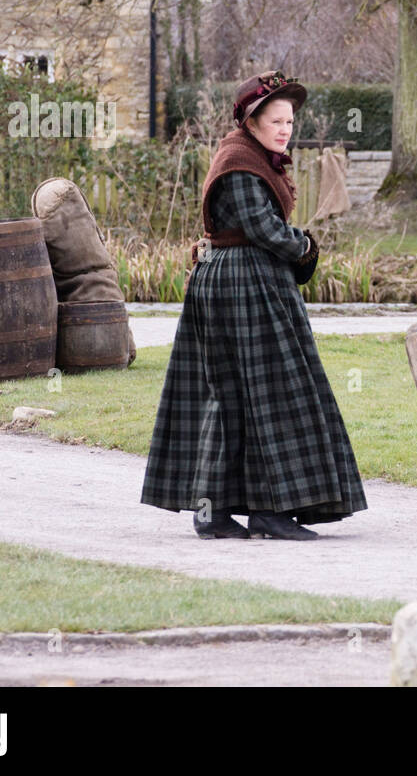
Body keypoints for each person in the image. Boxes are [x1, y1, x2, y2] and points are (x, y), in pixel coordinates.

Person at [141, 70, 367, 539]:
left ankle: (224, 511)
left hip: (247, 284)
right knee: (270, 394)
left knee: (242, 398)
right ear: (251, 120)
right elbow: (262, 228)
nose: (286, 129)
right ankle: (260, 511)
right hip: (242, 287)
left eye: (290, 121)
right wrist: (303, 244)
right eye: (276, 120)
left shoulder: (252, 157)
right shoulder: (240, 161)